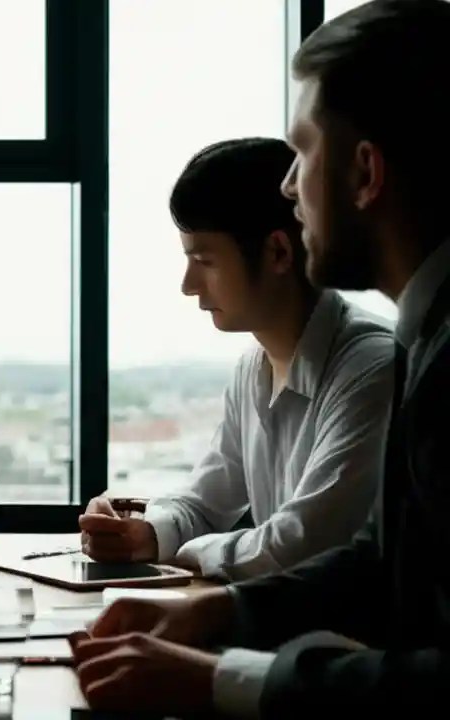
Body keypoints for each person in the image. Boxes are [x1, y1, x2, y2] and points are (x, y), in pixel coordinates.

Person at [70, 1, 450, 716]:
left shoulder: (410, 358)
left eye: (302, 153)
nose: (287, 187)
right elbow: (376, 560)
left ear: (366, 172)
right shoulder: (424, 336)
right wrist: (218, 614)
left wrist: (216, 674)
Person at [79, 138, 393, 581]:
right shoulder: (254, 367)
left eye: (203, 260)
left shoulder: (370, 369)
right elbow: (205, 502)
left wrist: (185, 552)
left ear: (278, 253)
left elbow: (302, 544)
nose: (188, 285)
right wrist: (145, 534)